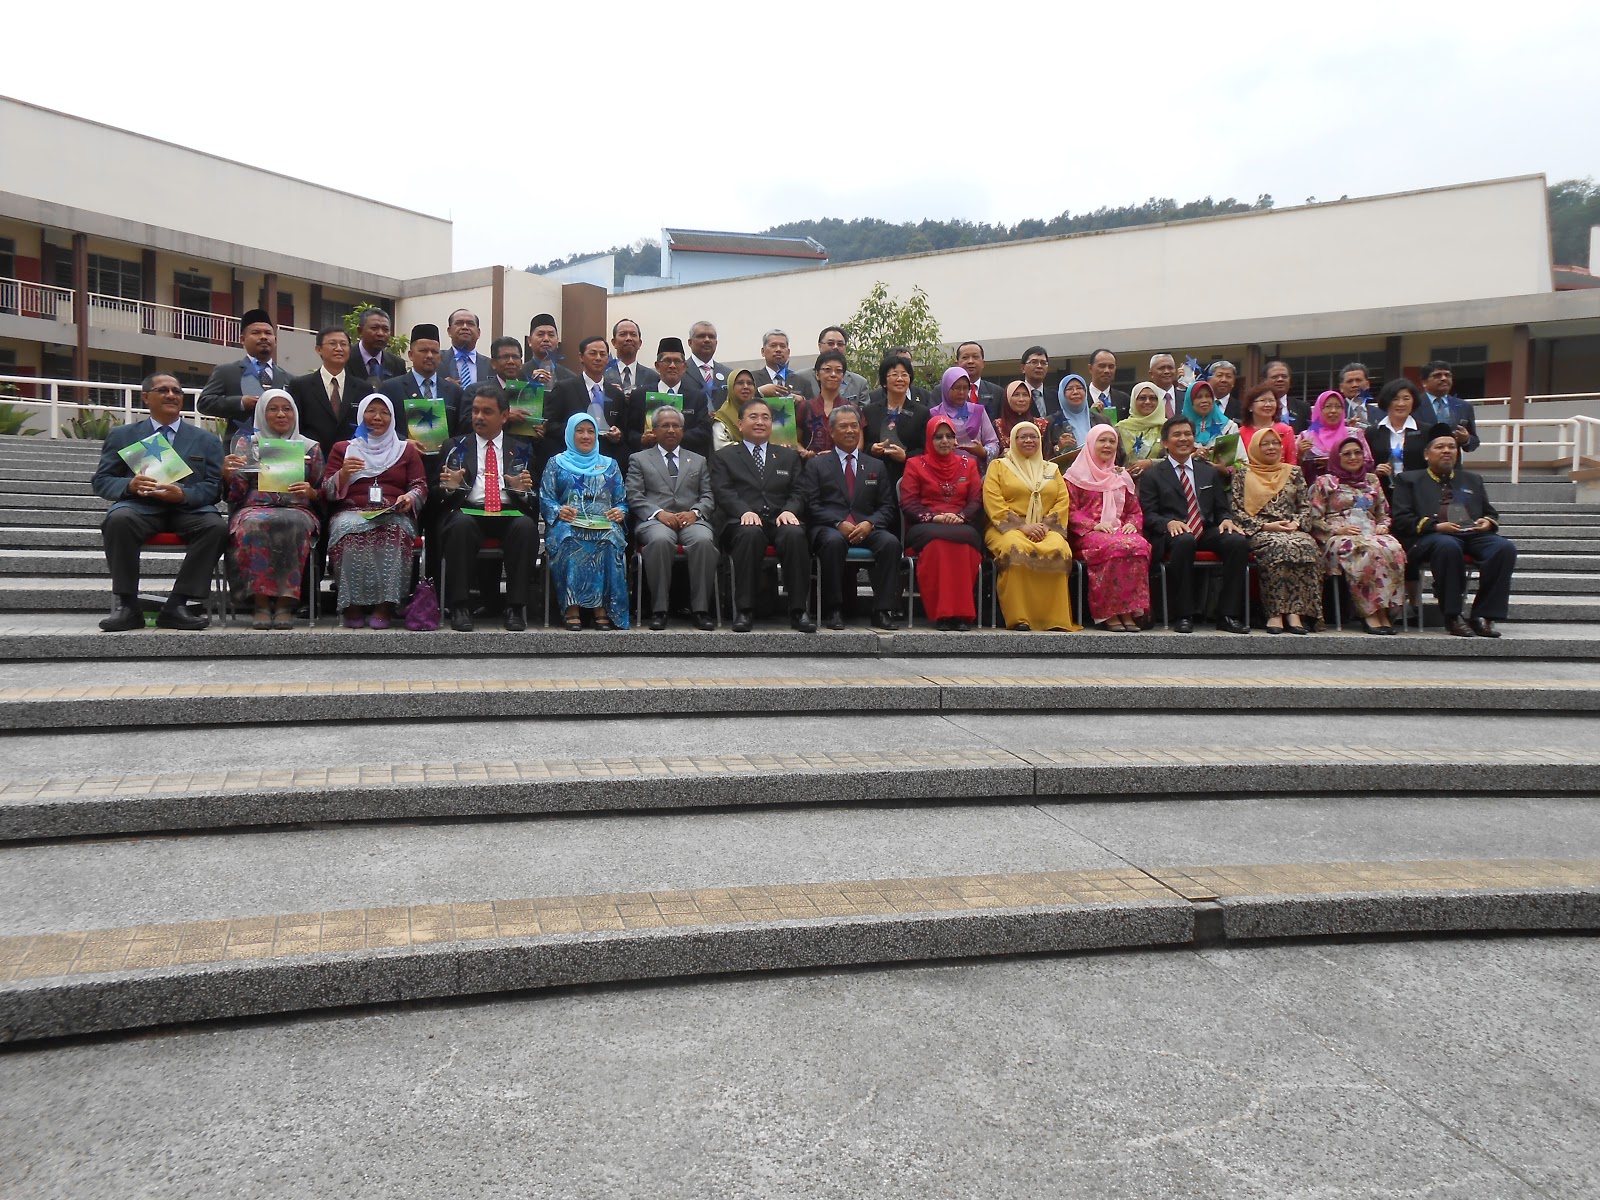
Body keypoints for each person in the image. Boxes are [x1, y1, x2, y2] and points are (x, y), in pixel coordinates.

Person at [92, 373, 227, 632]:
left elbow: (214, 487)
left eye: (177, 391)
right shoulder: (122, 435)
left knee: (216, 527)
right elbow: (102, 480)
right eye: (163, 390)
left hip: (189, 508)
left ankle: (177, 605)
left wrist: (184, 494)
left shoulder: (206, 439)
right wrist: (129, 485)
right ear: (146, 398)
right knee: (118, 520)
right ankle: (128, 606)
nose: (171, 395)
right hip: (140, 506)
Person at [1391, 424, 1517, 637]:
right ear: (1426, 454)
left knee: (1504, 548)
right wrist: (1436, 526)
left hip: (1472, 533)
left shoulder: (1472, 479)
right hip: (1431, 536)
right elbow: (1402, 519)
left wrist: (1487, 522)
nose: (1447, 451)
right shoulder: (1409, 480)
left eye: (1451, 447)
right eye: (1440, 447)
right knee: (1447, 546)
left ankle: (1483, 615)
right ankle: (1453, 615)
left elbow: (1490, 513)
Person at [435, 384, 540, 632]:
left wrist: (522, 491)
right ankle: (460, 606)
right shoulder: (454, 446)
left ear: (504, 416)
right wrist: (449, 488)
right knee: (460, 525)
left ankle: (515, 607)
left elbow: (535, 497)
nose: (479, 417)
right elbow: (435, 495)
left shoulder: (522, 449)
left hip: (508, 512)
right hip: (470, 510)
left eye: (487, 412)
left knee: (525, 527)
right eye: (475, 411)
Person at [710, 396, 814, 633]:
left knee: (795, 534)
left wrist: (790, 510)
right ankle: (744, 610)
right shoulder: (725, 456)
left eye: (765, 417)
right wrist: (744, 511)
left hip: (779, 519)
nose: (760, 422)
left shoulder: (788, 456)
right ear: (740, 423)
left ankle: (798, 610)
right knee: (750, 535)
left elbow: (800, 491)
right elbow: (723, 491)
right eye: (753, 417)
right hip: (741, 521)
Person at [221, 389, 324, 629]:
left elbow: (322, 489)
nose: (281, 414)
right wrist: (227, 475)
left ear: (295, 413)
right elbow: (235, 494)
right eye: (273, 409)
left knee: (294, 524)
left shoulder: (310, 448)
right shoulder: (247, 445)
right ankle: (261, 603)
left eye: (287, 409)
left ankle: (285, 604)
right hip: (254, 507)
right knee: (252, 525)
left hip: (298, 509)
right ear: (261, 413)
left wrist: (311, 492)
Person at [1138, 416, 1250, 634]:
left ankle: (1227, 615)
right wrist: (1168, 523)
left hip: (1205, 529)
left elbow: (1221, 508)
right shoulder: (1153, 475)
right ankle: (1184, 614)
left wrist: (1226, 519)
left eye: (1188, 434)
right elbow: (1148, 514)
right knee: (1184, 541)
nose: (1183, 439)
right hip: (1172, 532)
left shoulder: (1207, 471)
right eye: (1177, 435)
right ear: (1165, 443)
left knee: (1237, 542)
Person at [322, 395, 427, 629]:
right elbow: (326, 491)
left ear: (392, 418)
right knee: (347, 530)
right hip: (351, 510)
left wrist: (409, 498)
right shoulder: (344, 449)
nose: (377, 417)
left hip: (393, 511)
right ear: (361, 415)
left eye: (384, 412)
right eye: (371, 411)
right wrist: (343, 474)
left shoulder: (405, 450)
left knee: (394, 531)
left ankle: (384, 606)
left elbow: (420, 485)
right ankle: (352, 606)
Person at [800, 405, 902, 630]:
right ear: (831, 431)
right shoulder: (816, 465)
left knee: (891, 543)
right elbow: (811, 505)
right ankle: (834, 609)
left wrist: (870, 523)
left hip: (866, 526)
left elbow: (887, 506)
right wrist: (838, 523)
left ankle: (883, 611)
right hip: (830, 527)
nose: (850, 431)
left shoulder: (875, 465)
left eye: (854, 426)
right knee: (833, 542)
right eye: (843, 426)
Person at [625, 405, 717, 631]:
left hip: (691, 519)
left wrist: (695, 512)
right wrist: (659, 513)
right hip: (655, 520)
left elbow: (708, 496)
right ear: (654, 430)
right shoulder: (639, 459)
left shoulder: (698, 460)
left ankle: (700, 610)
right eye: (665, 425)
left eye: (676, 426)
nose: (671, 430)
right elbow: (634, 495)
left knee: (704, 541)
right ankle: (659, 610)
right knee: (660, 541)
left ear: (683, 431)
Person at [982, 421, 1079, 632]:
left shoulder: (1051, 469)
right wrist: (1022, 527)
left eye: (1033, 436)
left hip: (1046, 528)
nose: (1028, 440)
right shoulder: (999, 467)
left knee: (1059, 549)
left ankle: (1054, 618)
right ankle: (1019, 617)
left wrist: (1045, 526)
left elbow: (1062, 501)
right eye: (1022, 437)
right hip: (1007, 528)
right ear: (1013, 440)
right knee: (1016, 549)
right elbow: (993, 501)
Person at [540, 413, 630, 631]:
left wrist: (620, 511)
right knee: (569, 538)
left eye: (590, 431)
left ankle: (602, 607)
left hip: (603, 523)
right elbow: (545, 498)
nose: (586, 436)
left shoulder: (610, 465)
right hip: (568, 523)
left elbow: (622, 501)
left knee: (610, 538)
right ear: (570, 434)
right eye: (579, 431)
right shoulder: (556, 463)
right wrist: (558, 510)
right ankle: (571, 607)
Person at [1310, 436, 1405, 634]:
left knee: (1394, 548)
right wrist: (1336, 530)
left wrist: (1383, 526)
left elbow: (1383, 513)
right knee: (1365, 551)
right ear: (1337, 457)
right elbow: (1314, 519)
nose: (1353, 457)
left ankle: (1385, 611)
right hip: (1338, 536)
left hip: (1371, 532)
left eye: (1358, 453)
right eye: (1347, 454)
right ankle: (1369, 612)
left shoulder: (1372, 480)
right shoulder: (1325, 482)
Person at [1232, 427, 1321, 633]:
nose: (1271, 447)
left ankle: (1296, 613)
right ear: (1255, 447)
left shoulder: (1293, 472)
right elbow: (1236, 511)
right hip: (1261, 530)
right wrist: (1265, 526)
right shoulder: (1242, 474)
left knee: (1306, 546)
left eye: (1275, 443)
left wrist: (1296, 523)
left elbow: (1305, 508)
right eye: (1265, 443)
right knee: (1278, 547)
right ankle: (1275, 613)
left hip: (1291, 529)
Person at [1064, 424, 1151, 631]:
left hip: (1118, 531)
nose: (1107, 445)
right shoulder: (1074, 476)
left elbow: (1134, 510)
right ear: (1090, 443)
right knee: (1114, 547)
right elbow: (1069, 511)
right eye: (1102, 440)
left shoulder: (1120, 475)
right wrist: (1094, 525)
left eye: (1112, 441)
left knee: (1139, 545)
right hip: (1088, 533)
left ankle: (1129, 612)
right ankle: (1109, 613)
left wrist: (1131, 524)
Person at [900, 414, 983, 630]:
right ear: (929, 439)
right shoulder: (915, 464)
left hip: (961, 524)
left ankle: (961, 614)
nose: (945, 441)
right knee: (938, 545)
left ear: (955, 439)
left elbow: (976, 500)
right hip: (926, 525)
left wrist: (961, 516)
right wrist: (934, 517)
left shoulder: (969, 464)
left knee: (964, 547)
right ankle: (942, 614)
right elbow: (908, 502)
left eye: (949, 436)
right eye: (938, 437)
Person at [544, 335, 630, 476]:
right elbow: (550, 425)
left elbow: (625, 429)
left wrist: (618, 434)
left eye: (603, 354)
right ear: (581, 357)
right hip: (570, 465)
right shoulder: (564, 388)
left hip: (604, 466)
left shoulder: (616, 394)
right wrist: (576, 431)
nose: (598, 358)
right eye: (593, 353)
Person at [198, 309, 286, 442]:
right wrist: (240, 403)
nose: (263, 337)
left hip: (280, 448)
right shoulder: (226, 372)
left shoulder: (289, 378)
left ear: (275, 340)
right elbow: (204, 403)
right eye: (256, 332)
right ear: (242, 339)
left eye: (268, 333)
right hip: (240, 447)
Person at [377, 323, 467, 444]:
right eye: (423, 351)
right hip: (403, 453)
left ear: (440, 357)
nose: (429, 356)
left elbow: (461, 430)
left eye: (434, 352)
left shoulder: (454, 391)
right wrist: (404, 442)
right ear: (411, 355)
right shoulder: (391, 388)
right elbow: (381, 426)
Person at [290, 325, 372, 454]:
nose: (339, 348)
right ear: (319, 349)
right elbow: (295, 428)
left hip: (352, 457)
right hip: (313, 457)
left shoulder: (363, 388)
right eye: (332, 343)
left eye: (343, 344)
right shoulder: (300, 386)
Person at [636, 336, 712, 459]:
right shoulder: (640, 395)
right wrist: (642, 438)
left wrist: (673, 436)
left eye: (677, 361)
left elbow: (704, 431)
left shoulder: (697, 397)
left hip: (686, 459)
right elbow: (629, 431)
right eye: (667, 360)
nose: (672, 365)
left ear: (684, 366)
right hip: (648, 460)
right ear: (657, 366)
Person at [861, 354, 930, 486]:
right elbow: (863, 444)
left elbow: (925, 449)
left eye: (904, 375)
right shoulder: (869, 411)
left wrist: (905, 456)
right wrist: (872, 449)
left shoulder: (921, 413)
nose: (900, 379)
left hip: (909, 476)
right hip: (875, 477)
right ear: (884, 382)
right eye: (894, 375)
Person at [1366, 378, 1427, 496]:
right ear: (1387, 402)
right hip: (1383, 494)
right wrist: (1375, 472)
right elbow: (1366, 466)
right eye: (1395, 399)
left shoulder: (1426, 431)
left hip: (1418, 493)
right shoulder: (1372, 432)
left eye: (1406, 398)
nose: (1401, 404)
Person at [930, 366, 1000, 467]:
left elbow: (993, 443)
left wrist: (982, 452)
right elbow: (928, 446)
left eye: (966, 388)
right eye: (957, 388)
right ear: (946, 388)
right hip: (943, 469)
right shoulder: (935, 414)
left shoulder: (978, 411)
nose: (962, 392)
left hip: (975, 471)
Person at [1300, 389, 1370, 485]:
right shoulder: (1306, 436)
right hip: (1316, 488)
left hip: (1352, 488)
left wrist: (1337, 462)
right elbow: (1294, 468)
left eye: (1338, 407)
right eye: (1328, 406)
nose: (1333, 411)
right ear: (1319, 409)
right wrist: (1300, 454)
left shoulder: (1354, 434)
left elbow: (1369, 463)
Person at [796, 348, 851, 458]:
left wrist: (837, 455)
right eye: (827, 370)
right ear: (817, 374)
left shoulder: (850, 408)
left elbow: (858, 445)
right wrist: (804, 452)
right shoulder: (805, 407)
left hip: (842, 466)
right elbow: (795, 440)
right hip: (810, 464)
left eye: (838, 371)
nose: (833, 374)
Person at [792, 326, 870, 401]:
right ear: (820, 346)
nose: (835, 347)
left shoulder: (860, 383)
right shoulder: (800, 378)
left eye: (840, 344)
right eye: (831, 343)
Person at [1047, 373, 1114, 461]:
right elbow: (1044, 457)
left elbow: (1115, 451)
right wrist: (1059, 448)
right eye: (1069, 389)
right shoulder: (1051, 422)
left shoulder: (1102, 420)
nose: (1075, 392)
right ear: (1062, 394)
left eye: (1079, 388)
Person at [1418, 360, 1479, 452]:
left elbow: (1474, 442)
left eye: (1447, 375)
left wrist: (1466, 439)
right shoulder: (1414, 404)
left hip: (1451, 460)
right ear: (1424, 382)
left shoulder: (1464, 406)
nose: (1444, 378)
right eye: (1437, 375)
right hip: (1420, 459)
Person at [1183, 380, 1241, 475]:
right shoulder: (1180, 429)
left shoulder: (1229, 427)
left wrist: (1225, 470)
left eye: (1208, 396)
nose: (1204, 400)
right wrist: (1194, 455)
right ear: (1190, 401)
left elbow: (1243, 463)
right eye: (1199, 397)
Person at [1238, 383, 1300, 465]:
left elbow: (1292, 463)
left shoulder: (1286, 430)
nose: (1268, 405)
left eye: (1271, 400)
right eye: (1262, 401)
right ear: (1250, 407)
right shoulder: (1240, 433)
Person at [1116, 382, 1167, 474]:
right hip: (1126, 480)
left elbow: (1175, 459)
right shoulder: (1120, 429)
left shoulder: (1167, 427)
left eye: (1152, 398)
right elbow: (1111, 462)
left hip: (1160, 480)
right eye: (1142, 398)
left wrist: (1151, 463)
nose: (1147, 402)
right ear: (1133, 401)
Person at [440, 309, 494, 392]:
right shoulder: (437, 361)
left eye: (470, 324)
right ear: (449, 331)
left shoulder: (491, 366)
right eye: (459, 323)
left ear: (478, 333)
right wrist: (441, 385)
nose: (465, 327)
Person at [605, 318, 660, 394]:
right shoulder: (602, 374)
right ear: (614, 342)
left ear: (640, 343)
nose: (629, 338)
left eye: (633, 335)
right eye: (623, 334)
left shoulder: (653, 377)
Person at [686, 320, 734, 404]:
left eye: (711, 337)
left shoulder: (729, 374)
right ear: (690, 343)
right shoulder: (680, 371)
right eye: (701, 336)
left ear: (716, 343)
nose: (707, 340)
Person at [352, 308, 405, 384]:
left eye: (385, 329)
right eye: (374, 328)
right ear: (360, 331)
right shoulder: (345, 360)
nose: (380, 333)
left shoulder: (398, 364)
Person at [523, 313, 577, 388]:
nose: (546, 339)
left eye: (551, 335)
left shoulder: (571, 378)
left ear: (557, 341)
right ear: (529, 340)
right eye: (540, 334)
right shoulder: (519, 374)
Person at [956, 341, 1006, 419]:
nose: (970, 361)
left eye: (975, 357)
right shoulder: (943, 391)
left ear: (983, 363)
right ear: (957, 364)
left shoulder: (998, 393)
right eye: (965, 357)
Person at [995, 380, 1049, 452]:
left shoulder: (1042, 425)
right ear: (1007, 399)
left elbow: (1048, 454)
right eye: (1016, 395)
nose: (1021, 399)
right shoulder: (998, 425)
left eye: (1025, 395)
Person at [711, 369, 757, 453]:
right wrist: (754, 450)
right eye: (740, 383)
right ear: (731, 387)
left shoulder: (761, 413)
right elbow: (722, 449)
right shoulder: (723, 417)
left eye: (750, 383)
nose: (745, 386)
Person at [1262, 359, 1311, 431]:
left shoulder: (1303, 407)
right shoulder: (1257, 407)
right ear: (1264, 381)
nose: (1280, 379)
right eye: (1275, 377)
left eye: (1284, 376)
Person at [1085, 348, 1128, 420]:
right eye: (1102, 366)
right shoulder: (1080, 398)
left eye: (1111, 367)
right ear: (1090, 368)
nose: (1107, 370)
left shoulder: (1124, 399)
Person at [1015, 346, 1052, 418]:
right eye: (1034, 362)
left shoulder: (1056, 397)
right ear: (1023, 368)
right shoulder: (1014, 396)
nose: (1039, 366)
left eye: (1043, 363)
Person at [1148, 353, 1182, 418]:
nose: (1167, 371)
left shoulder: (1186, 397)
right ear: (1151, 374)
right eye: (1161, 368)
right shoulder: (1146, 401)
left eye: (1170, 368)